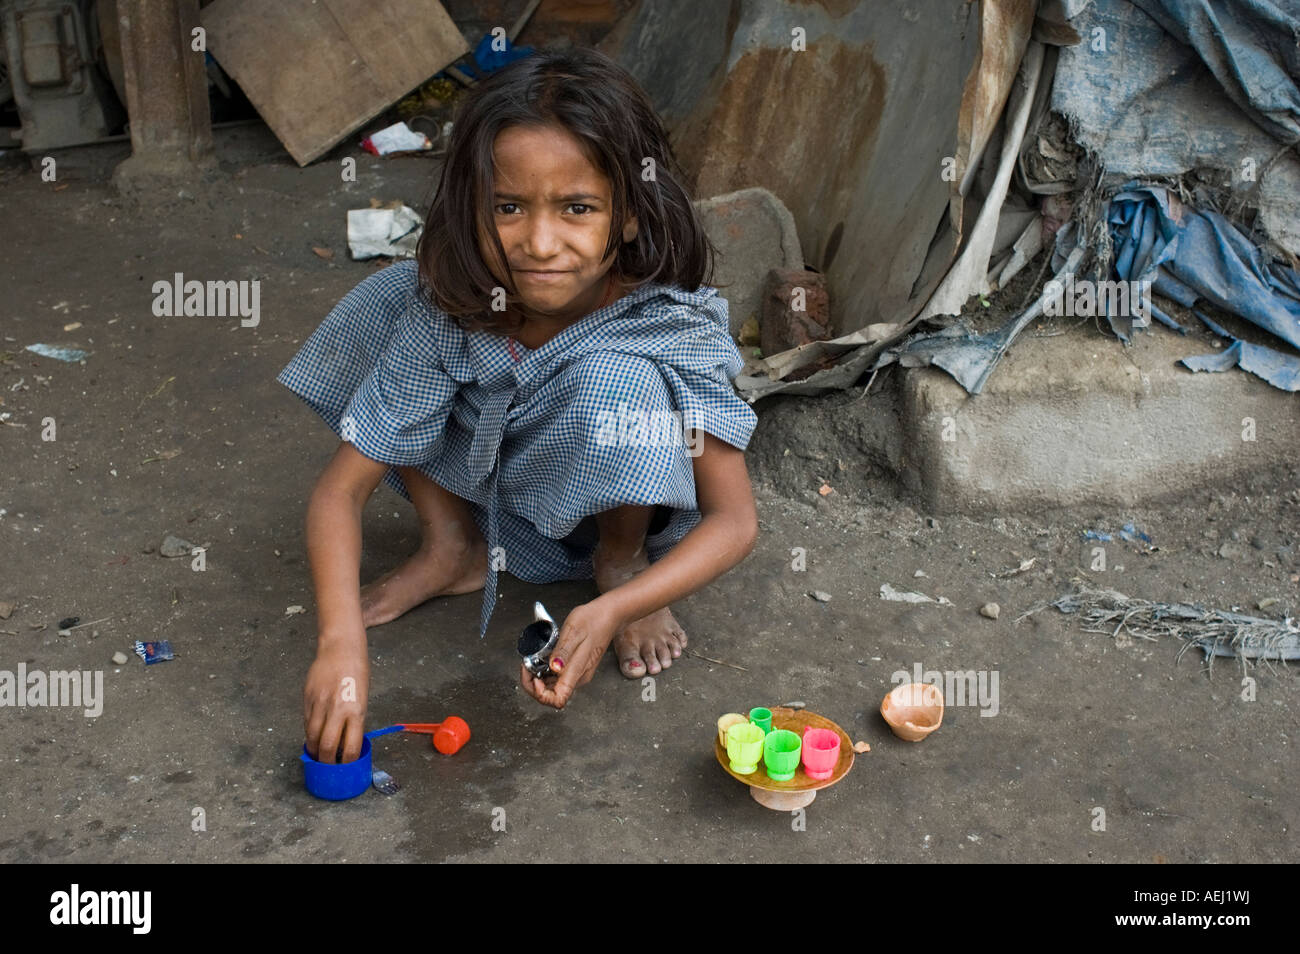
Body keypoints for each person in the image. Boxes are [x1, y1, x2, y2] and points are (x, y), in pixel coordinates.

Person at [278, 48, 758, 763]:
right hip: (500, 494)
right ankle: (453, 545)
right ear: (473, 210)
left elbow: (735, 520)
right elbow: (339, 492)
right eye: (508, 207)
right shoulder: (454, 307)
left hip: (608, 516)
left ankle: (621, 562)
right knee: (388, 298)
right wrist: (339, 646)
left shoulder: (664, 321)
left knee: (611, 383)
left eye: (578, 208)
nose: (538, 243)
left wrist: (614, 609)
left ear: (628, 216)